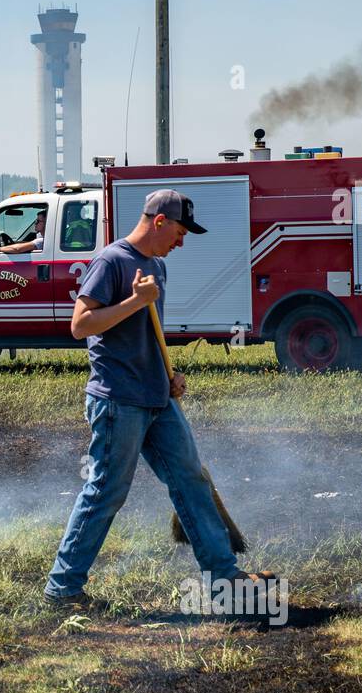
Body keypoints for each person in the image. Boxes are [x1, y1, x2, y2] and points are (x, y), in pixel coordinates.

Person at [44, 189, 269, 608]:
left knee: (191, 481)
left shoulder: (157, 267)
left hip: (156, 396)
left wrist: (169, 375)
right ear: (160, 221)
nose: (182, 241)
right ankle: (63, 588)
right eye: (180, 231)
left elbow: (148, 334)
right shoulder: (111, 261)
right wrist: (135, 300)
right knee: (106, 491)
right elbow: (80, 325)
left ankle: (224, 576)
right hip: (118, 399)